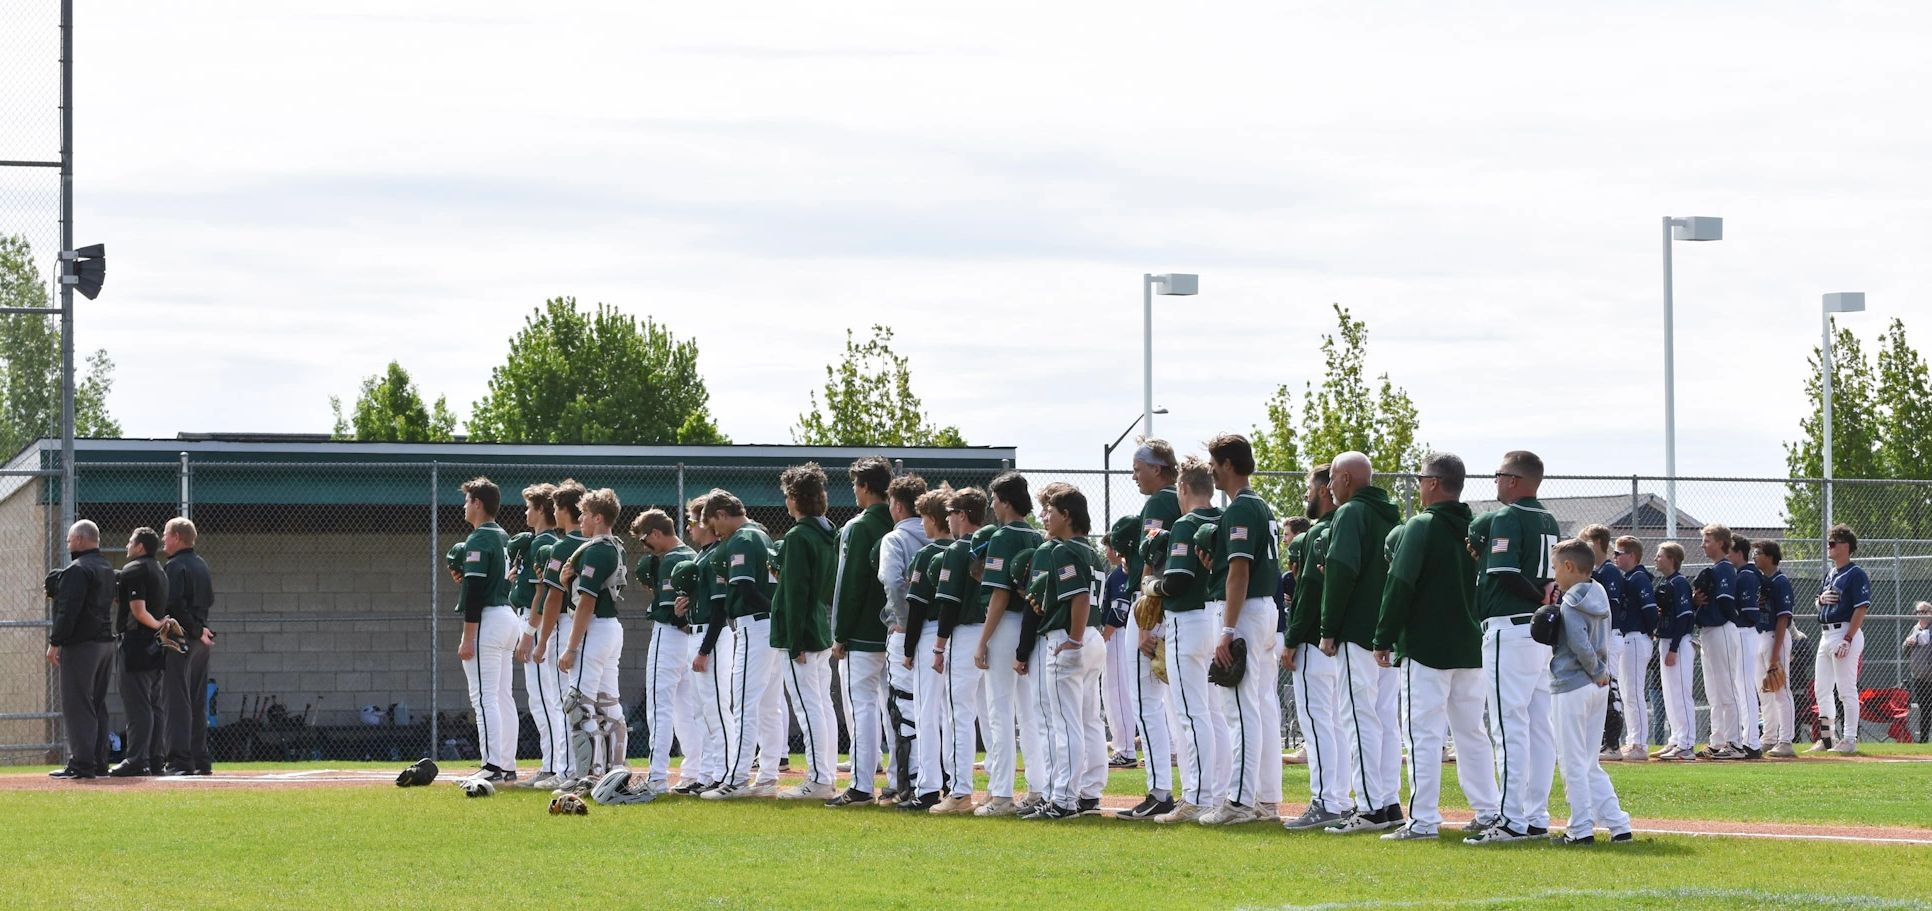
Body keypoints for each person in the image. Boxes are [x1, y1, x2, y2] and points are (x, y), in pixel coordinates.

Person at [1370, 452, 1499, 841]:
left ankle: (1423, 820)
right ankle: (1489, 810)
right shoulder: (1476, 527)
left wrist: (1383, 636)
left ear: (1433, 483)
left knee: (1423, 735)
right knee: (1471, 732)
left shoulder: (1421, 525)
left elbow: (1400, 583)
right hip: (1470, 646)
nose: (1419, 485)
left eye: (1422, 479)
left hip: (1427, 646)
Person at [1463, 450, 1559, 845]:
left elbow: (1504, 572)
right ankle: (1535, 816)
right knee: (1538, 727)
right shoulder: (1548, 518)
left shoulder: (1508, 515)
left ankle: (1511, 820)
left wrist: (1538, 595)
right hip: (1537, 635)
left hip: (1511, 629)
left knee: (1509, 727)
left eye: (1499, 474)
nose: (1496, 481)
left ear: (1515, 480)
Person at [1317, 451, 1402, 834]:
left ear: (1347, 479)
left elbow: (1342, 569)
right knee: (1384, 719)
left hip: (1356, 630)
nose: (1329, 486)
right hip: (1386, 630)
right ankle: (1388, 802)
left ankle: (1369, 807)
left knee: (1359, 718)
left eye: (1333, 478)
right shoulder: (1391, 514)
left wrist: (1328, 628)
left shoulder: (1350, 512)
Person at [1143, 456, 1228, 824]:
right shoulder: (1224, 519)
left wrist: (1150, 585)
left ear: (1182, 487)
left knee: (1192, 715)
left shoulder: (1186, 523)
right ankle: (1218, 794)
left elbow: (1176, 582)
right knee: (1214, 714)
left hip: (1188, 621)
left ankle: (1197, 797)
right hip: (1216, 618)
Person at [1026, 483, 1109, 820]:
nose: (1046, 516)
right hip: (1094, 636)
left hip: (1071, 637)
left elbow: (1079, 596)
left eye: (1051, 511)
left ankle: (1063, 800)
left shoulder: (1063, 550)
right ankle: (1090, 793)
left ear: (1067, 515)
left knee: (1066, 723)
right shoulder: (1093, 552)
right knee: (1089, 720)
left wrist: (1073, 639)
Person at [1546, 538, 1634, 845]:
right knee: (1588, 761)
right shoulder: (1599, 592)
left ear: (1569, 567)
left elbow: (1578, 642)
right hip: (1597, 686)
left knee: (1572, 761)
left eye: (1556, 567)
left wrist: (1596, 669)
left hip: (1572, 684)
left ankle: (1580, 829)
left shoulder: (1570, 601)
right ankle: (1618, 823)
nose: (1554, 574)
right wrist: (1601, 673)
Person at [700, 490, 786, 798]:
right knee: (769, 707)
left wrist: (773, 610)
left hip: (754, 625)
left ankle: (735, 780)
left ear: (722, 514)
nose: (715, 532)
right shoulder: (762, 534)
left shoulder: (742, 538)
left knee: (746, 705)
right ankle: (767, 777)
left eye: (714, 524)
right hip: (770, 627)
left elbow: (745, 587)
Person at [970, 472, 1048, 815]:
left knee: (999, 711)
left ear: (1005, 501)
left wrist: (982, 641)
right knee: (1029, 714)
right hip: (1032, 626)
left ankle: (1001, 794)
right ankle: (1037, 788)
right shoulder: (1038, 534)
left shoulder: (1003, 536)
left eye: (995, 498)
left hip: (1006, 626)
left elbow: (1000, 595)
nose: (992, 504)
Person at [762, 463, 838, 802]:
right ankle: (826, 775)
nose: (786, 502)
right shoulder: (828, 531)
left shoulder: (797, 536)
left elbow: (794, 594)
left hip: (802, 635)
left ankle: (819, 780)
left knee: (809, 709)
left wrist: (793, 642)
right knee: (821, 706)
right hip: (819, 627)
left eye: (788, 496)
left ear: (795, 498)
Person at [1282, 465, 1350, 830]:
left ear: (1324, 490)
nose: (1307, 493)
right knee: (1336, 725)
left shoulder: (1319, 532)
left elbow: (1307, 592)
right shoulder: (1348, 525)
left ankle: (1325, 801)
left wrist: (1291, 639)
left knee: (1318, 725)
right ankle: (1340, 798)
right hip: (1343, 643)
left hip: (1313, 642)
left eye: (1310, 487)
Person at [1120, 439, 1180, 818]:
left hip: (1154, 607)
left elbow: (1152, 558)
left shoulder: (1159, 502)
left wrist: (1146, 620)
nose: (1134, 476)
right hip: (1177, 608)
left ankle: (1160, 791)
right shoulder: (1183, 500)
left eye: (1138, 469)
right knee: (1175, 708)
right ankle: (1187, 790)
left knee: (1146, 702)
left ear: (1157, 468)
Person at [832, 457, 896, 804]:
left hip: (862, 634)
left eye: (856, 485)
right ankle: (900, 780)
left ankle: (861, 785)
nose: (854, 491)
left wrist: (840, 633)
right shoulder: (900, 522)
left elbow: (850, 585)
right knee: (896, 710)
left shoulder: (858, 526)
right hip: (897, 633)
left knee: (863, 709)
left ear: (866, 487)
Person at [556, 487, 630, 784]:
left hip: (594, 628)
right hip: (610, 628)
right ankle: (615, 772)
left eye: (585, 514)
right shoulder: (616, 546)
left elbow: (586, 601)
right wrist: (567, 582)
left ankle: (589, 775)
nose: (581, 519)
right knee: (609, 705)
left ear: (598, 518)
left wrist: (571, 647)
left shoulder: (596, 550)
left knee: (579, 705)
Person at [453, 480, 518, 782]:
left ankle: (491, 766)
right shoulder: (504, 535)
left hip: (489, 619)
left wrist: (467, 637)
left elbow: (476, 592)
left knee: (484, 698)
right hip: (507, 615)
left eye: (468, 500)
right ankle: (506, 764)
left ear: (478, 503)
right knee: (503, 696)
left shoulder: (479, 538)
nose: (464, 506)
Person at [636, 508, 702, 794]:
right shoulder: (693, 554)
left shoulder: (671, 560)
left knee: (659, 708)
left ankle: (657, 777)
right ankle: (693, 772)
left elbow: (668, 610)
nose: (644, 546)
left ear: (656, 533)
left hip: (669, 636)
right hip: (690, 640)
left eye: (645, 539)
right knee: (685, 709)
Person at [875, 473, 931, 805]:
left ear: (897, 505)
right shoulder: (939, 534)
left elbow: (893, 581)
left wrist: (903, 621)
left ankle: (908, 785)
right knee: (932, 710)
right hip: (938, 632)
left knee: (903, 708)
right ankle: (931, 781)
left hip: (906, 632)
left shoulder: (894, 538)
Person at [46, 520, 117, 780]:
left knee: (77, 703)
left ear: (79, 540)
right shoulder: (106, 568)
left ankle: (82, 763)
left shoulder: (77, 569)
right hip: (106, 644)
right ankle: (99, 761)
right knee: (97, 702)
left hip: (82, 645)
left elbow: (68, 611)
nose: (68, 544)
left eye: (69, 540)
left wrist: (55, 642)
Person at [903, 487, 958, 811]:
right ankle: (953, 783)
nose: (922, 523)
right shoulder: (966, 550)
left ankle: (926, 789)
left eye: (924, 517)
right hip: (959, 637)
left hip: (929, 636)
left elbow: (916, 607)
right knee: (952, 714)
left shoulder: (927, 555)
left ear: (934, 519)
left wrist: (908, 648)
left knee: (926, 713)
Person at [531, 480, 588, 786]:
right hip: (592, 625)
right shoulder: (595, 542)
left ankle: (565, 770)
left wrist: (541, 641)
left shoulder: (563, 546)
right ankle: (589, 768)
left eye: (556, 506)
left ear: (565, 509)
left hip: (566, 623)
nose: (554, 512)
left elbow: (553, 598)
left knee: (562, 702)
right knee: (587, 701)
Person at [513, 483, 567, 789]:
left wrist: (528, 633)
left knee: (544, 700)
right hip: (537, 623)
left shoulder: (544, 543)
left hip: (538, 624)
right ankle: (554, 763)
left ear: (541, 510)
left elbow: (541, 594)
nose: (526, 512)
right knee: (544, 698)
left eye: (529, 507)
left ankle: (552, 766)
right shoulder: (538, 542)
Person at [678, 500, 734, 795]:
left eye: (693, 522)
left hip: (713, 638)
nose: (689, 528)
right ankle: (707, 773)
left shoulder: (716, 556)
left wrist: (704, 650)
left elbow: (720, 608)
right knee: (700, 710)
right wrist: (683, 611)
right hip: (695, 633)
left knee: (715, 708)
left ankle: (724, 773)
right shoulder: (702, 556)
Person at [108, 526, 170, 777]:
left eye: (131, 541)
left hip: (136, 644)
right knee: (154, 704)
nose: (127, 545)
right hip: (156, 646)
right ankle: (155, 759)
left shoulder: (134, 569)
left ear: (140, 546)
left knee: (138, 705)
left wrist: (157, 624)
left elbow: (139, 611)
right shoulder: (160, 570)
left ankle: (136, 759)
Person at [161, 517, 216, 777]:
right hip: (201, 640)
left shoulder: (174, 566)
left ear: (177, 537)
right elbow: (208, 599)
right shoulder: (201, 564)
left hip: (180, 638)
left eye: (166, 534)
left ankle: (180, 760)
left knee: (176, 700)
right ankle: (200, 758)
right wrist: (200, 629)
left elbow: (174, 605)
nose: (163, 538)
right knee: (197, 699)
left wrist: (193, 629)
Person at [1811, 523, 1871, 755]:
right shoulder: (1831, 573)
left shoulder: (1856, 574)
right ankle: (1827, 739)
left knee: (1846, 689)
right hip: (1826, 634)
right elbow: (1820, 602)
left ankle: (1849, 739)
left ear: (1845, 546)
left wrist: (1848, 638)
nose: (1829, 546)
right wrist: (1820, 600)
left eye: (1833, 543)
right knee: (1821, 689)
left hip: (1844, 631)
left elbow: (1861, 608)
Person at [1692, 524, 1743, 760]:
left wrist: (1730, 621)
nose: (1703, 545)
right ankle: (1718, 740)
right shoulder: (1716, 568)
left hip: (1721, 629)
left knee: (1726, 688)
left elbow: (1725, 602)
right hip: (1709, 631)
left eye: (1707, 540)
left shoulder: (1725, 568)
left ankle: (1735, 743)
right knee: (1713, 691)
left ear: (1721, 543)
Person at [1576, 525, 1626, 761]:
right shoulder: (1597, 571)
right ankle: (1605, 741)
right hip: (1600, 636)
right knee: (1601, 688)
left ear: (1596, 542)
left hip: (1610, 635)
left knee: (1610, 687)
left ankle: (1613, 744)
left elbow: (1611, 608)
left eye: (1586, 541)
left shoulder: (1609, 571)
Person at [1611, 536, 1659, 762]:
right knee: (1627, 693)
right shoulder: (1630, 577)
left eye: (1618, 553)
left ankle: (1639, 743)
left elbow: (1650, 610)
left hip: (1637, 637)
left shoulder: (1639, 577)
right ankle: (1633, 740)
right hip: (1629, 638)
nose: (1615, 557)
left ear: (1631, 555)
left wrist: (1649, 630)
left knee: (1633, 692)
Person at [1651, 542, 1698, 761]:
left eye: (1660, 556)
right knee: (1670, 695)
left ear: (1671, 559)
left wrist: (1673, 648)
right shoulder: (1668, 582)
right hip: (1666, 641)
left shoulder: (1679, 582)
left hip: (1678, 643)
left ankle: (1686, 744)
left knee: (1681, 694)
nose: (1656, 559)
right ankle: (1676, 739)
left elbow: (1684, 618)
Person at [1754, 541, 1799, 757]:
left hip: (1775, 636)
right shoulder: (1760, 581)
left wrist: (1775, 655)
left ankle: (1786, 741)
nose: (1754, 556)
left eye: (1758, 553)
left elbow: (1783, 619)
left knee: (1781, 690)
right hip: (1760, 637)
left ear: (1770, 557)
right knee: (1764, 692)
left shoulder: (1781, 582)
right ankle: (1769, 738)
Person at [1101, 517, 1139, 770]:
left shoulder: (1121, 573)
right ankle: (1124, 747)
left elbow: (1118, 611)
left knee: (1116, 692)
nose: (1107, 552)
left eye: (1108, 547)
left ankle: (1125, 750)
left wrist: (1104, 636)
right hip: (1122, 634)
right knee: (1117, 692)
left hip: (1118, 635)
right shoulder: (1121, 572)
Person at [1726, 535, 1763, 760]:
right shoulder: (1743, 574)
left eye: (1728, 550)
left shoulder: (1746, 575)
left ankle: (1751, 742)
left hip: (1745, 632)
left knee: (1745, 686)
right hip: (1742, 633)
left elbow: (1749, 612)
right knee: (1740, 686)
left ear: (1739, 553)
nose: (1726, 554)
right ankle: (1745, 739)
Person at [1278, 514, 1311, 767]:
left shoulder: (1305, 565)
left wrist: (1290, 643)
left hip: (1309, 641)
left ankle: (1310, 748)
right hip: (1315, 640)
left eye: (1287, 534)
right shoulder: (1288, 578)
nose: (1284, 540)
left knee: (1317, 712)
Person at [1903, 602, 1932, 744]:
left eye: (1925, 611)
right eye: (1919, 612)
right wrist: (1908, 644)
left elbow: (1926, 640)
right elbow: (1905, 650)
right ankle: (1923, 740)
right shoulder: (1915, 628)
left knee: (1927, 707)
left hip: (1930, 674)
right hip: (1919, 676)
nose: (1921, 614)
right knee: (1924, 708)